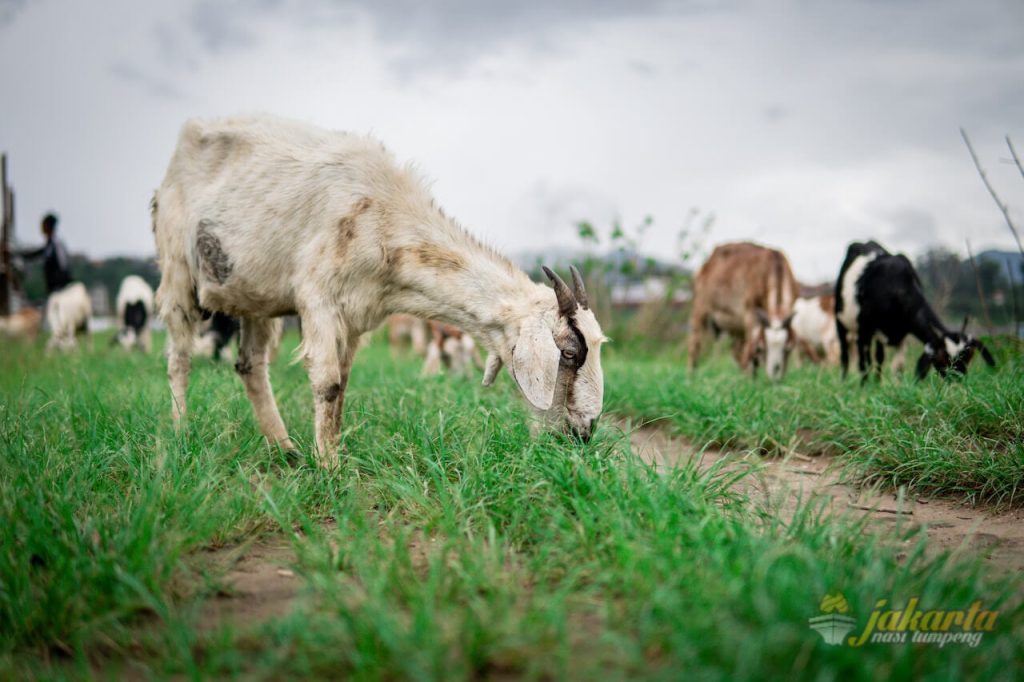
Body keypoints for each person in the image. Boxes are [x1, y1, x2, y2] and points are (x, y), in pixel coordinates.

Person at [17, 213, 72, 295]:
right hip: (54, 290)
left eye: (43, 225)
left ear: (48, 227)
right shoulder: (50, 245)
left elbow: (63, 267)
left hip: (59, 290)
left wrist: (60, 288)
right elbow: (35, 253)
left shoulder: (56, 245)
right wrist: (18, 254)